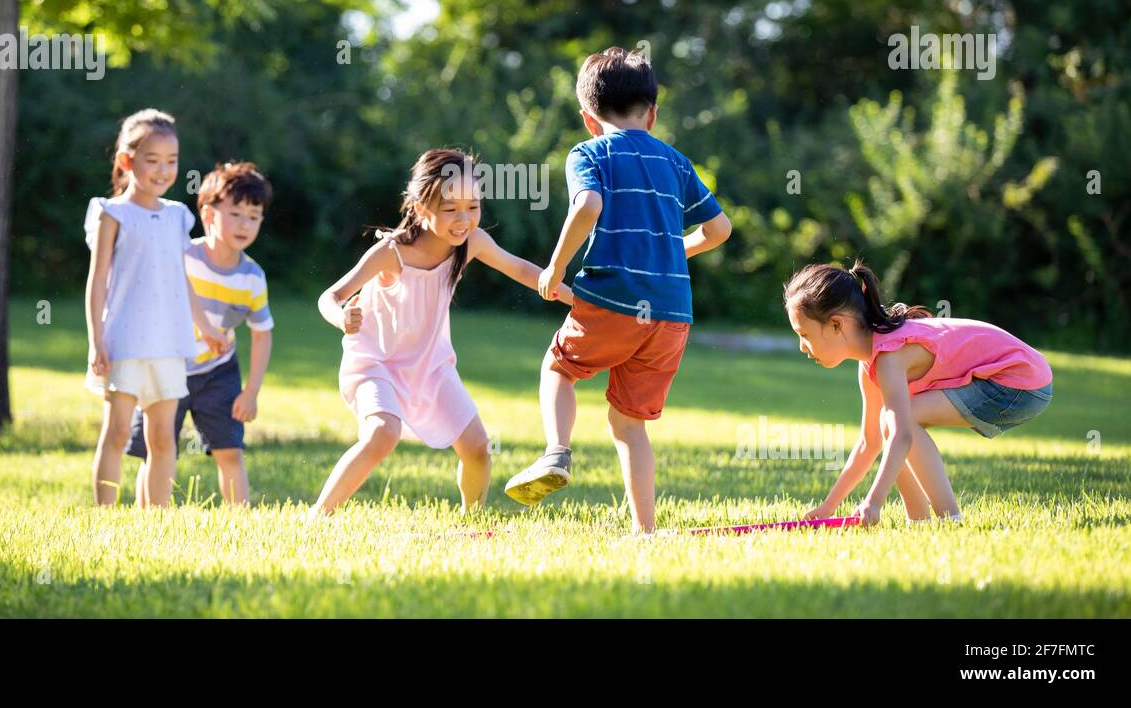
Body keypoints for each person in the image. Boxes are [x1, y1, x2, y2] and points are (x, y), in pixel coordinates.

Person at [504, 46, 733, 532]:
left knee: (559, 365)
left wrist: (554, 268)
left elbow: (587, 206)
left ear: (588, 119)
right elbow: (720, 231)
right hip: (672, 313)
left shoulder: (589, 152)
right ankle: (644, 531)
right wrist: (673, 253)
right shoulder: (675, 161)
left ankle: (556, 454)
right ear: (652, 112)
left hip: (612, 299)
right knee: (630, 424)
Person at [309, 148, 574, 517]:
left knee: (478, 447)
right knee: (382, 434)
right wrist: (341, 317)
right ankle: (319, 517)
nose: (464, 219)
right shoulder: (392, 253)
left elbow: (523, 270)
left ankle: (472, 520)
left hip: (431, 366)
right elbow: (330, 296)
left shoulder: (472, 242)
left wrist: (570, 295)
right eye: (450, 209)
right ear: (421, 209)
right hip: (376, 363)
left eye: (473, 206)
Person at [783, 260, 1054, 525]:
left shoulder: (890, 357)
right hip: (1021, 380)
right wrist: (829, 506)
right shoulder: (872, 364)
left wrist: (873, 501)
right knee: (890, 421)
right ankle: (920, 522)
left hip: (1020, 382)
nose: (802, 347)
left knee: (902, 420)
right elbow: (869, 443)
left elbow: (902, 435)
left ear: (836, 325)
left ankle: (950, 520)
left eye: (804, 334)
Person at [85, 108, 225, 507]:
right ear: (127, 162)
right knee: (116, 434)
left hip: (169, 343)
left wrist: (207, 329)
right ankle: (105, 516)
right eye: (152, 161)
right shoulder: (112, 213)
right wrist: (97, 340)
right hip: (125, 341)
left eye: (171, 161)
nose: (163, 170)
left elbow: (182, 282)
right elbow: (97, 282)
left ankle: (156, 519)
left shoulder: (178, 216)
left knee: (163, 439)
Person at [128, 162, 274, 506]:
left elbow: (262, 333)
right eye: (235, 213)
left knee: (230, 450)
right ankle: (146, 520)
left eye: (254, 216)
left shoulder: (253, 277)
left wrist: (251, 391)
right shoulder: (184, 256)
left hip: (218, 372)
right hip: (167, 364)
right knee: (157, 448)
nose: (245, 224)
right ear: (208, 214)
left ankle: (240, 520)